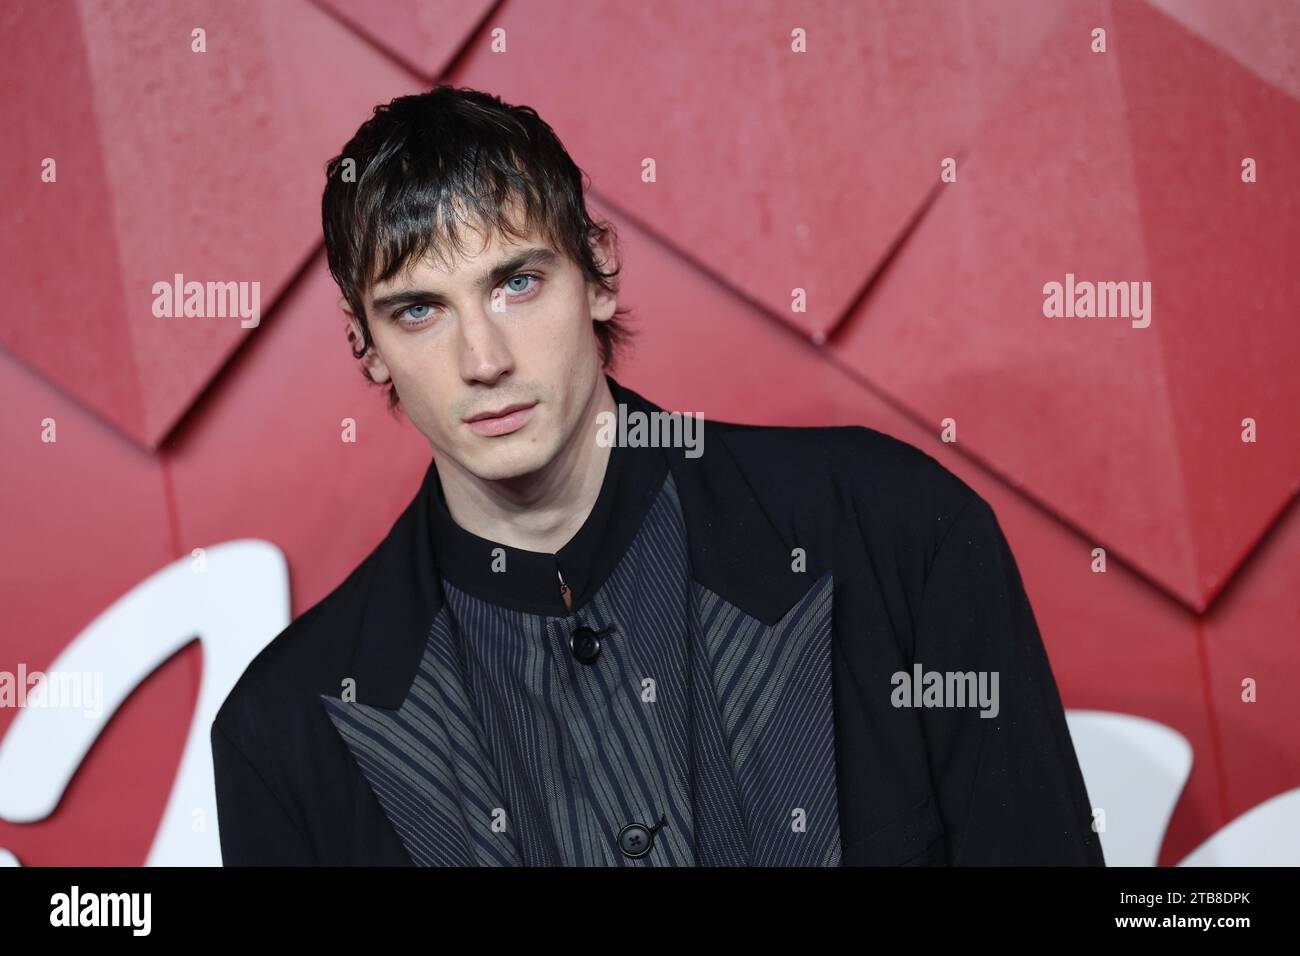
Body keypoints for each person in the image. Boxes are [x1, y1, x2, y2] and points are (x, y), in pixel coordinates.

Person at [210, 84, 1104, 866]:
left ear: (598, 273)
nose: (481, 358)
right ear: (365, 345)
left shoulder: (895, 532)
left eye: (517, 283)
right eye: (419, 311)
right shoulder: (285, 735)